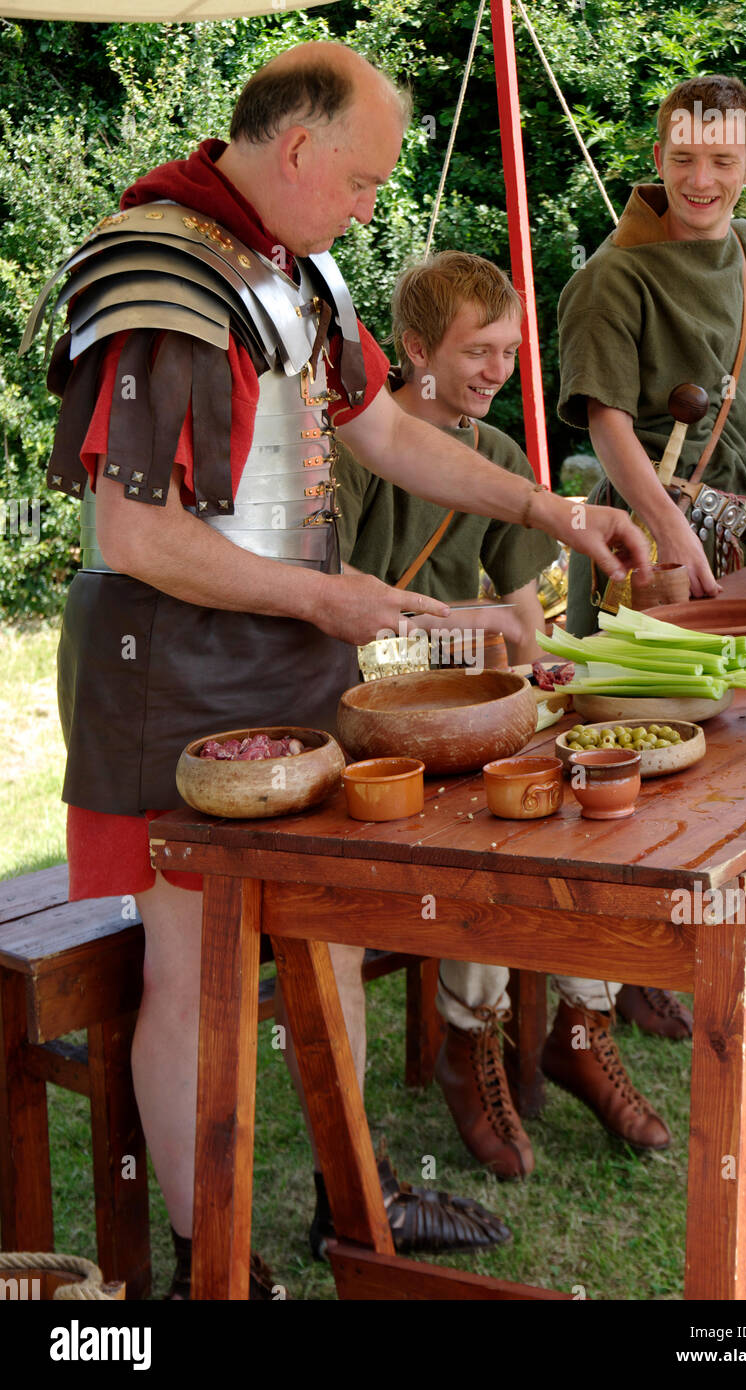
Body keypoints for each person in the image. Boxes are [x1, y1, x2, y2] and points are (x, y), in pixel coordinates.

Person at [25, 42, 649, 1297]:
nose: (371, 207)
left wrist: (556, 510)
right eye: (361, 181)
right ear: (297, 147)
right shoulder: (159, 269)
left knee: (333, 935)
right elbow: (135, 533)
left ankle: (346, 1198)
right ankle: (217, 1259)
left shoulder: (297, 267)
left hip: (287, 657)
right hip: (172, 670)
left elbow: (380, 427)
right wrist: (328, 593)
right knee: (196, 968)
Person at [336, 250, 679, 1180]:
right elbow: (338, 608)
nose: (497, 369)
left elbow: (521, 617)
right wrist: (470, 634)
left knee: (584, 803)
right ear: (412, 350)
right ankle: (468, 1042)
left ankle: (581, 1018)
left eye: (508, 350)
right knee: (488, 835)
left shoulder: (493, 457)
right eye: (476, 350)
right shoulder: (351, 447)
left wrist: (531, 655)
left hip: (471, 706)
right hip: (370, 714)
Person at [559, 73, 746, 640]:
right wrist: (669, 529)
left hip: (730, 533)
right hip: (644, 540)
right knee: (643, 719)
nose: (701, 179)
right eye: (684, 157)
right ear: (659, 155)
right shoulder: (611, 278)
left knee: (742, 709)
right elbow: (606, 423)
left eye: (722, 160)